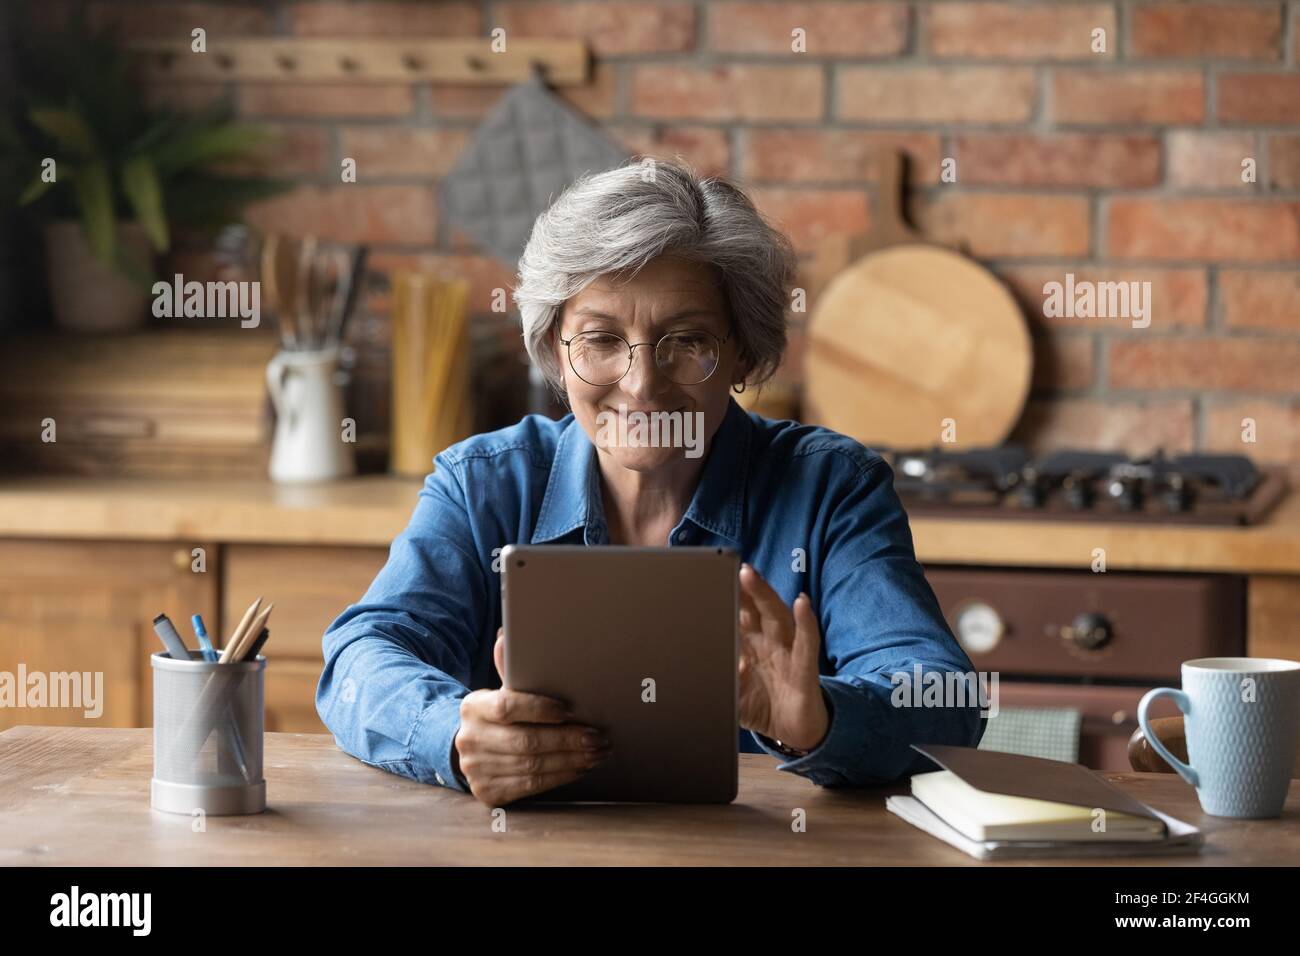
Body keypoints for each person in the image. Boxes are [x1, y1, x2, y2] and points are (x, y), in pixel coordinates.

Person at [318, 160, 984, 807]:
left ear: (743, 352)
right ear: (555, 350)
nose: (641, 386)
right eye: (602, 340)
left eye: (686, 341)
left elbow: (946, 697)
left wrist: (823, 718)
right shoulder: (482, 483)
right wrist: (452, 734)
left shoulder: (831, 486)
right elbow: (359, 659)